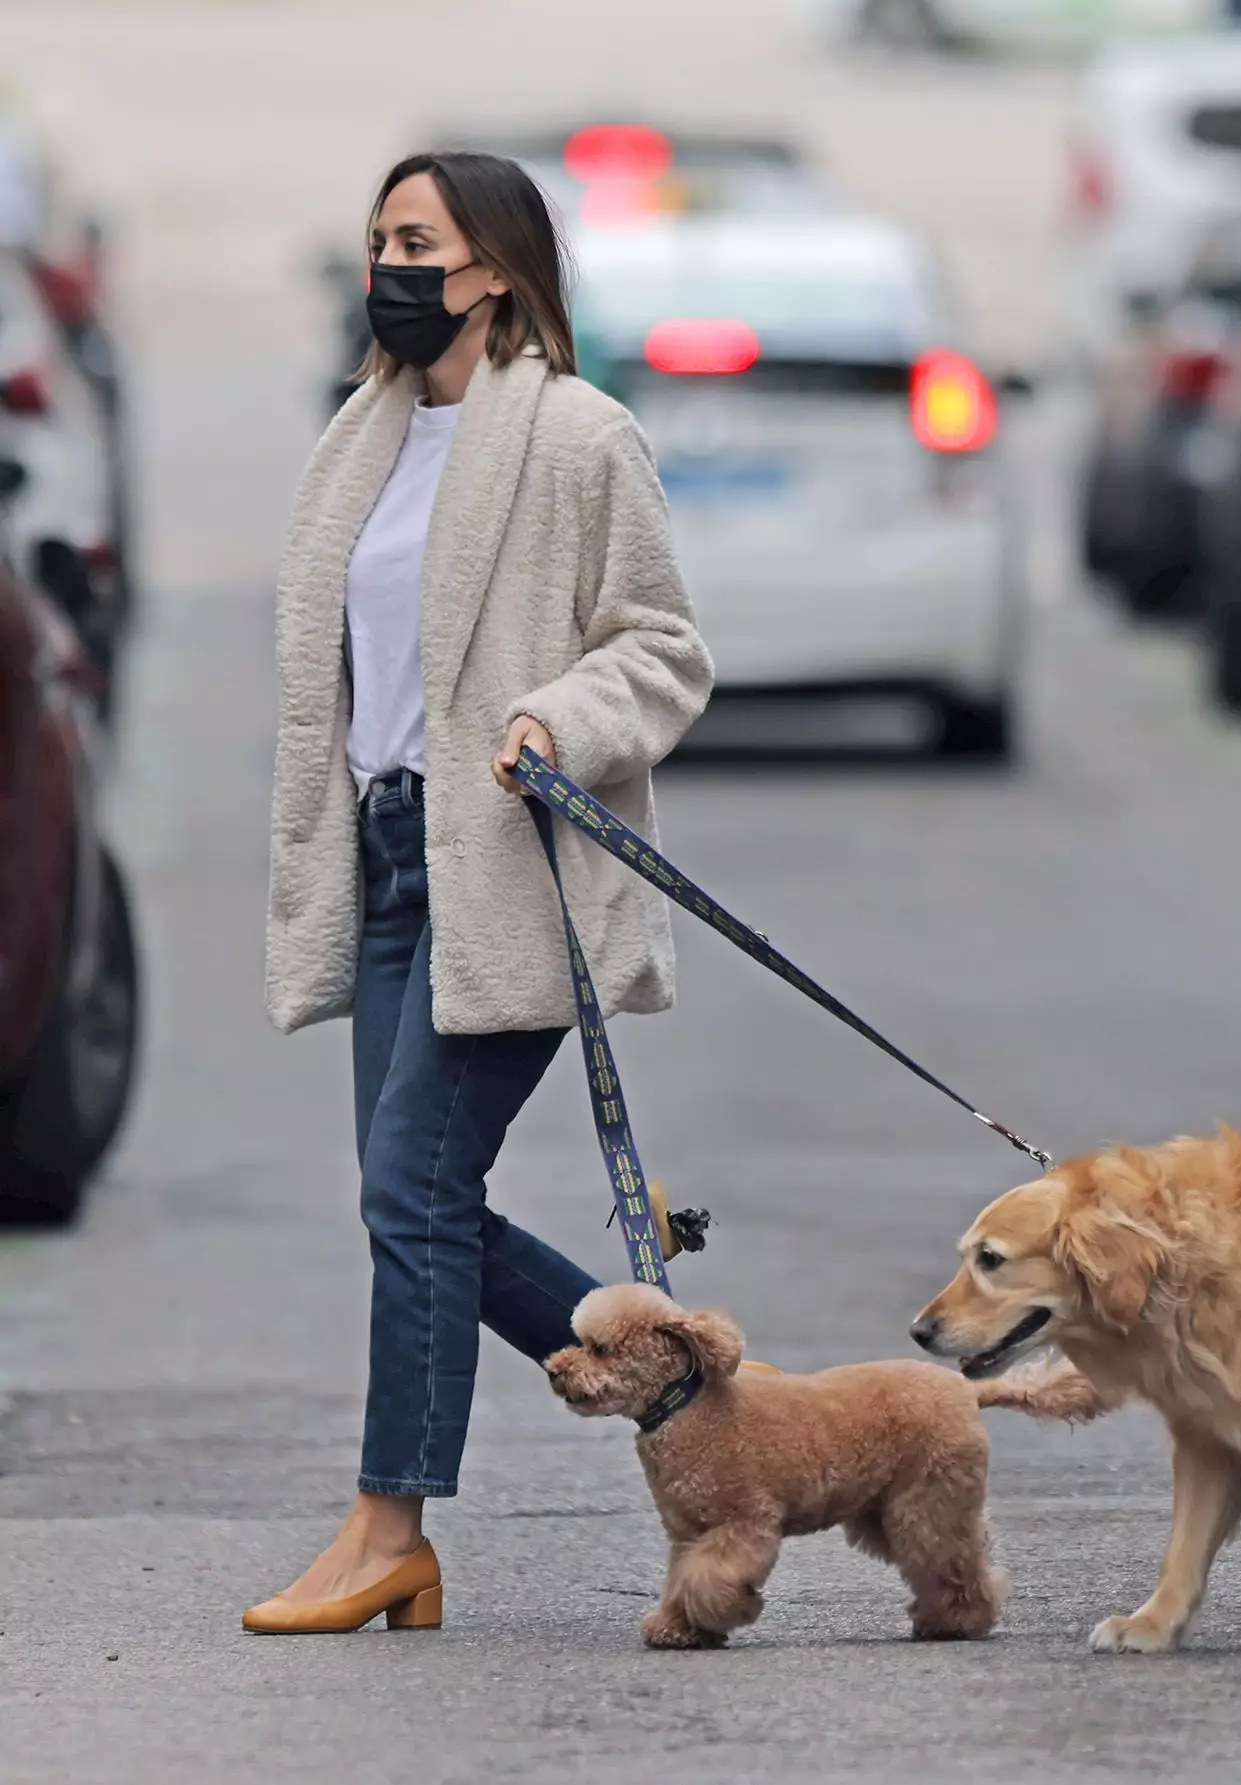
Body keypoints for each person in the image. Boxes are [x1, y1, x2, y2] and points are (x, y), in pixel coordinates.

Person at [246, 151, 712, 1634]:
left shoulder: (581, 439)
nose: (390, 263)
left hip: (506, 868)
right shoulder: (361, 441)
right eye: (378, 237)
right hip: (389, 859)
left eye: (418, 240)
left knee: (413, 1189)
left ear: (493, 270)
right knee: (414, 1199)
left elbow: (663, 648)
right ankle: (680, 1382)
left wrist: (552, 720)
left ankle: (392, 1522)